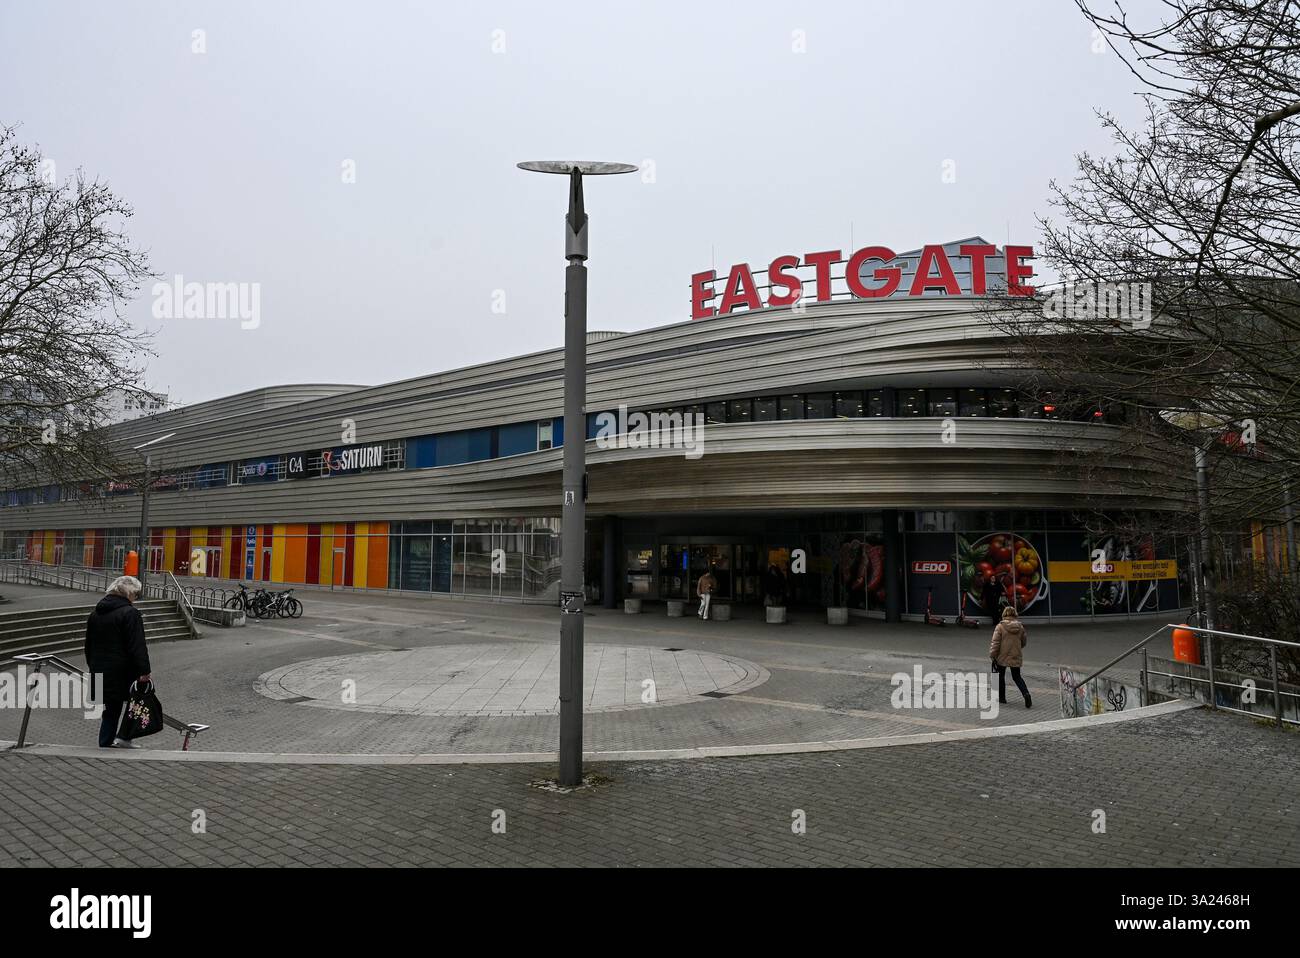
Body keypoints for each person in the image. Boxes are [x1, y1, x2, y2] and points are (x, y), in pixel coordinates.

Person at [85, 576, 152, 748]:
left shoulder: (95, 614)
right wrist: (144, 670)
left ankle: (107, 741)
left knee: (110, 709)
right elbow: (137, 645)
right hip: (122, 671)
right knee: (135, 703)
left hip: (98, 668)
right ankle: (122, 739)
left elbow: (88, 646)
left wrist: (93, 665)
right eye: (135, 594)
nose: (135, 598)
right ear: (128, 593)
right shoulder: (130, 613)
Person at [989, 606, 1031, 708]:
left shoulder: (1000, 626)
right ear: (1015, 614)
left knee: (1000, 676)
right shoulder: (1020, 627)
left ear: (1004, 614)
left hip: (1002, 656)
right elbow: (1024, 642)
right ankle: (1026, 694)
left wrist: (992, 655)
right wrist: (1017, 648)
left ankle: (1002, 698)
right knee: (1017, 677)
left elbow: (995, 643)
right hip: (1015, 654)